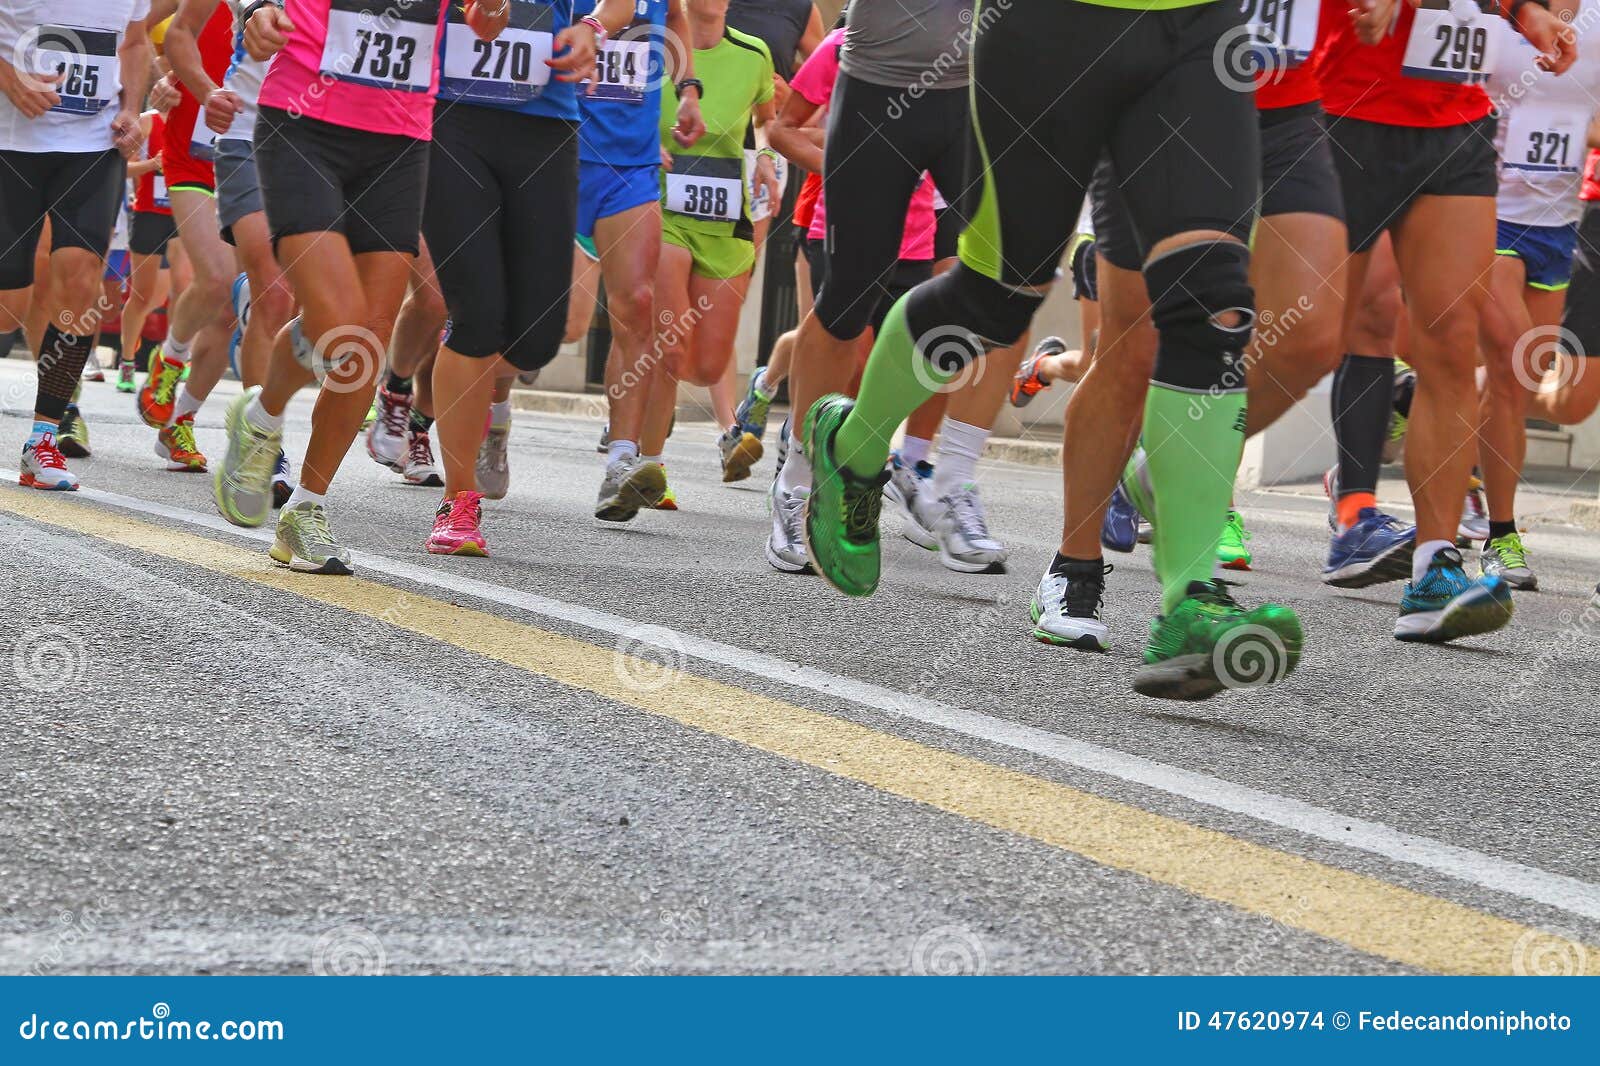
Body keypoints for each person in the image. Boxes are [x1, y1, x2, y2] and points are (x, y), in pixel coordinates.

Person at [802, 0, 1304, 700]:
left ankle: (1190, 599)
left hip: (1198, 28)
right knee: (997, 300)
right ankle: (853, 446)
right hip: (1045, 29)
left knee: (1213, 301)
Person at [1028, 6, 1352, 648]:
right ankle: (1075, 565)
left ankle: (1162, 469)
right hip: (1162, 92)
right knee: (1133, 349)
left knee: (1312, 335)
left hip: (1283, 102)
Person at [213, 0, 510, 573]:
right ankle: (263, 417)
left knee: (365, 344)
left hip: (399, 141)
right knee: (343, 326)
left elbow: (485, 23)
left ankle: (305, 509)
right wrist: (257, 9)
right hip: (303, 123)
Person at [1314, 0, 1573, 641]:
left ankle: (1434, 568)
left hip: (1455, 118)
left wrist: (1523, 11)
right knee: (1310, 338)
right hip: (1345, 108)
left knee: (1454, 349)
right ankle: (1163, 471)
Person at [420, 0, 627, 555]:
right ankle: (458, 501)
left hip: (546, 125)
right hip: (452, 117)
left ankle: (448, 380)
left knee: (538, 336)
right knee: (478, 316)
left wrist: (593, 28)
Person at [631, 0, 779, 504]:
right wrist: (646, 147)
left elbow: (767, 123)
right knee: (670, 347)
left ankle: (645, 436)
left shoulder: (754, 54)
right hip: (663, 207)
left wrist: (767, 162)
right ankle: (647, 465)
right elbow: (624, 107)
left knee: (707, 365)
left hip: (725, 217)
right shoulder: (660, 45)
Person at [2, 0, 151, 492]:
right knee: (7, 310)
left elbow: (133, 39)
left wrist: (130, 108)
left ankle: (44, 435)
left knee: (82, 281)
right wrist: (9, 77)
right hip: (11, 143)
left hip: (92, 145)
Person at [1475, 5, 1600, 590]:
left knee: (1525, 381)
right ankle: (1499, 535)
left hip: (1559, 223)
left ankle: (1415, 397)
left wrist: (1581, 128)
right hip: (1488, 215)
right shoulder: (1499, 17)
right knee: (1511, 360)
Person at [576, 0, 706, 522]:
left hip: (630, 164)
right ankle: (491, 417)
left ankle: (622, 460)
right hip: (555, 151)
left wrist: (689, 89)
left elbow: (674, 16)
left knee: (636, 304)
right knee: (550, 327)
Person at [196, 0, 297, 504]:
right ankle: (263, 444)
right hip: (248, 132)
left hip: (334, 136)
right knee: (275, 296)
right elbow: (176, 32)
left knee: (323, 307)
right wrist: (203, 89)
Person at [140, 0, 239, 473]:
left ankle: (181, 420)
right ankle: (170, 358)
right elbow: (132, 29)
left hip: (258, 153)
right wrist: (160, 77)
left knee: (230, 313)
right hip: (191, 151)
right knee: (216, 278)